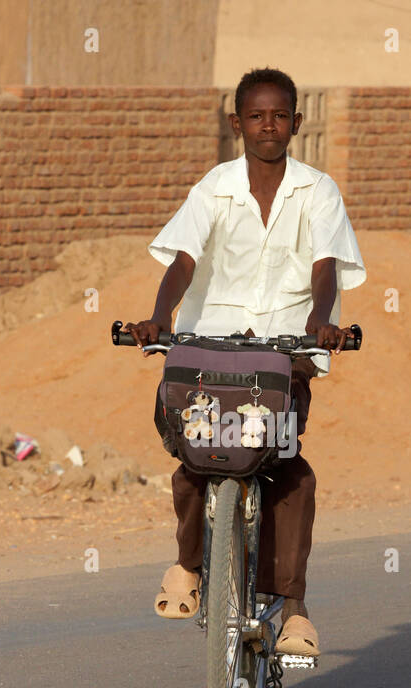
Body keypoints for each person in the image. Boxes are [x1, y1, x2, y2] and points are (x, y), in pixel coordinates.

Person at [124, 67, 365, 657]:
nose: (268, 126)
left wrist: (321, 323)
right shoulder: (214, 186)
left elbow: (326, 265)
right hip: (212, 343)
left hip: (287, 346)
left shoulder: (318, 190)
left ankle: (293, 606)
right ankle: (188, 564)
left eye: (279, 115)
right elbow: (183, 260)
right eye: (256, 116)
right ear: (237, 124)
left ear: (296, 124)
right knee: (195, 456)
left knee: (287, 466)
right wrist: (160, 315)